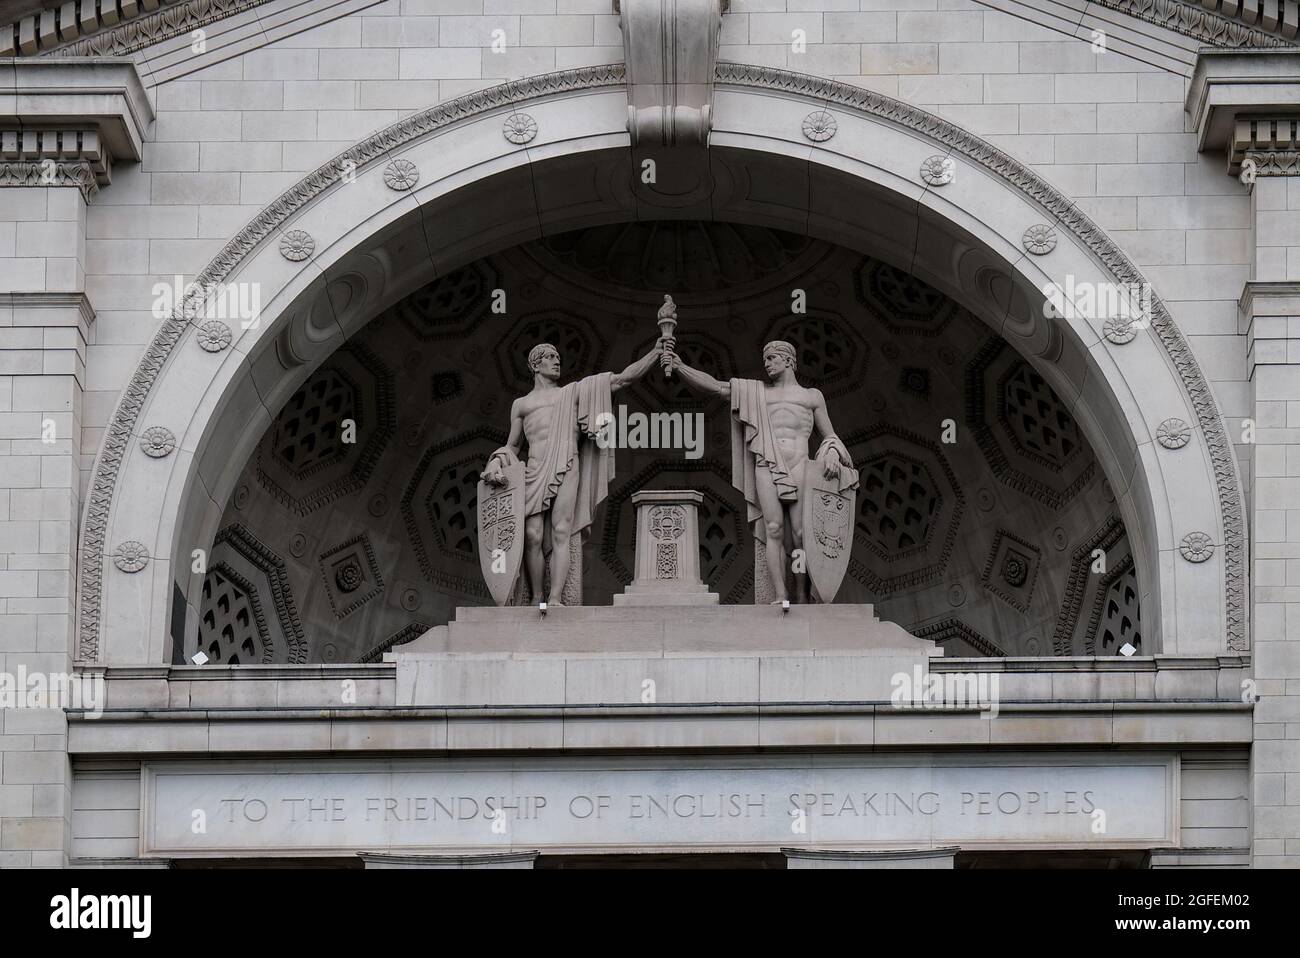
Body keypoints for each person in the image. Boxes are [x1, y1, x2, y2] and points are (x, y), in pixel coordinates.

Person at [668, 340, 858, 603]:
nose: (766, 363)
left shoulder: (811, 396)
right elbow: (716, 388)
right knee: (774, 529)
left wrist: (833, 452)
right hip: (767, 465)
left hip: (801, 465)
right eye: (765, 359)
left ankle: (801, 594)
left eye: (772, 358)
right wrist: (680, 366)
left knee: (801, 534)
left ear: (789, 360)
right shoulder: (757, 393)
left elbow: (831, 435)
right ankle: (781, 594)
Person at [483, 339, 665, 605]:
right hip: (534, 470)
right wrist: (496, 460)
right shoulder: (521, 404)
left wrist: (655, 352)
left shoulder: (574, 392)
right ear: (536, 364)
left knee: (561, 532)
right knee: (532, 536)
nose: (557, 361)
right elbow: (512, 445)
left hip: (567, 464)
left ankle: (555, 599)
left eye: (558, 357)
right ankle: (537, 598)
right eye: (551, 357)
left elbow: (621, 380)